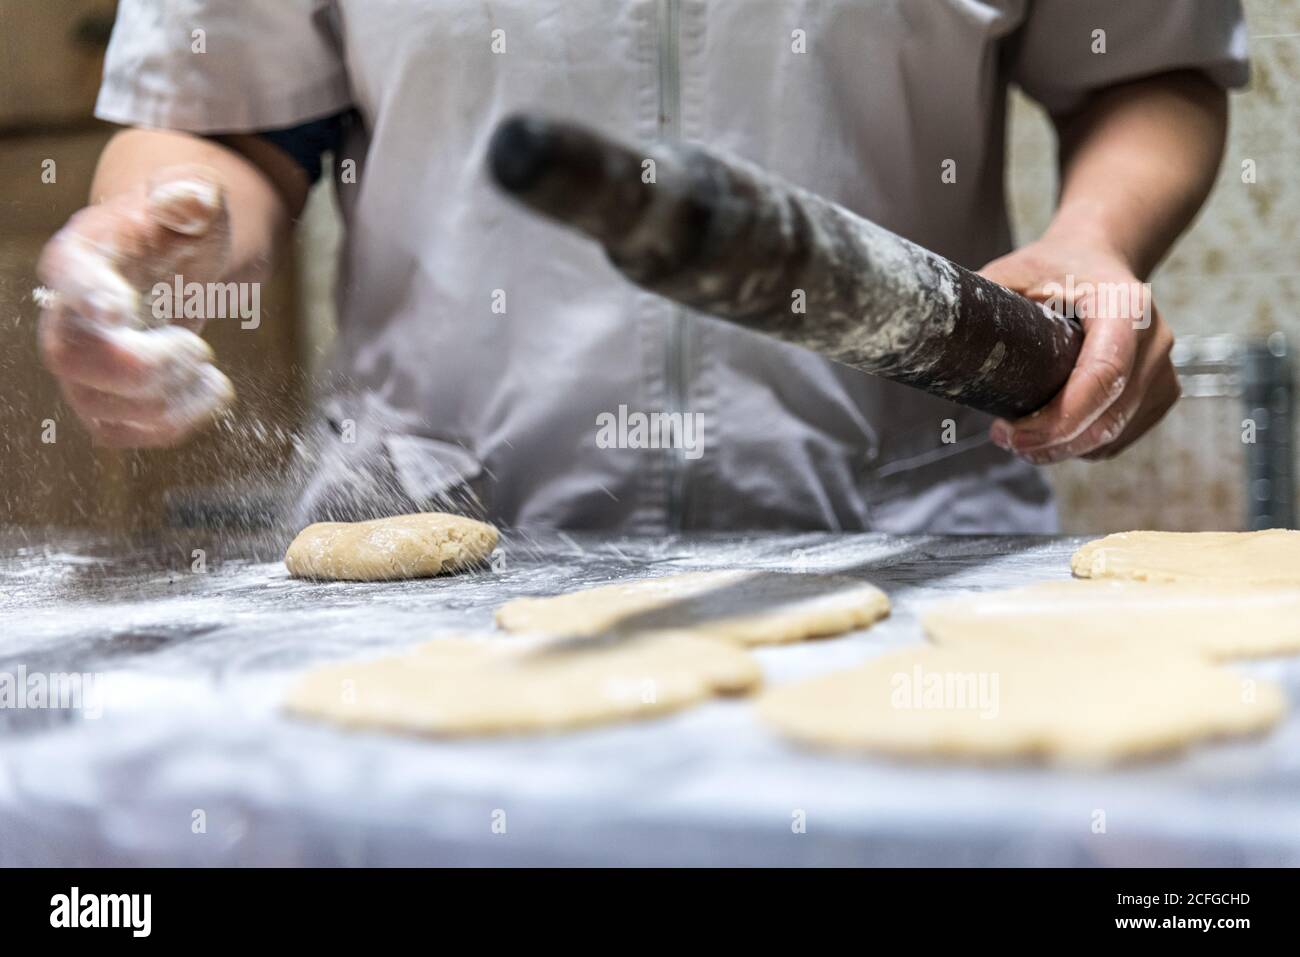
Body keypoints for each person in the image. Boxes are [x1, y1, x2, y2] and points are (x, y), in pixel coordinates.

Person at [36, 0, 1247, 533]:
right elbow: (232, 122)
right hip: (443, 548)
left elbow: (1141, 59)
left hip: (903, 535)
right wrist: (146, 232)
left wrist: (1096, 237)